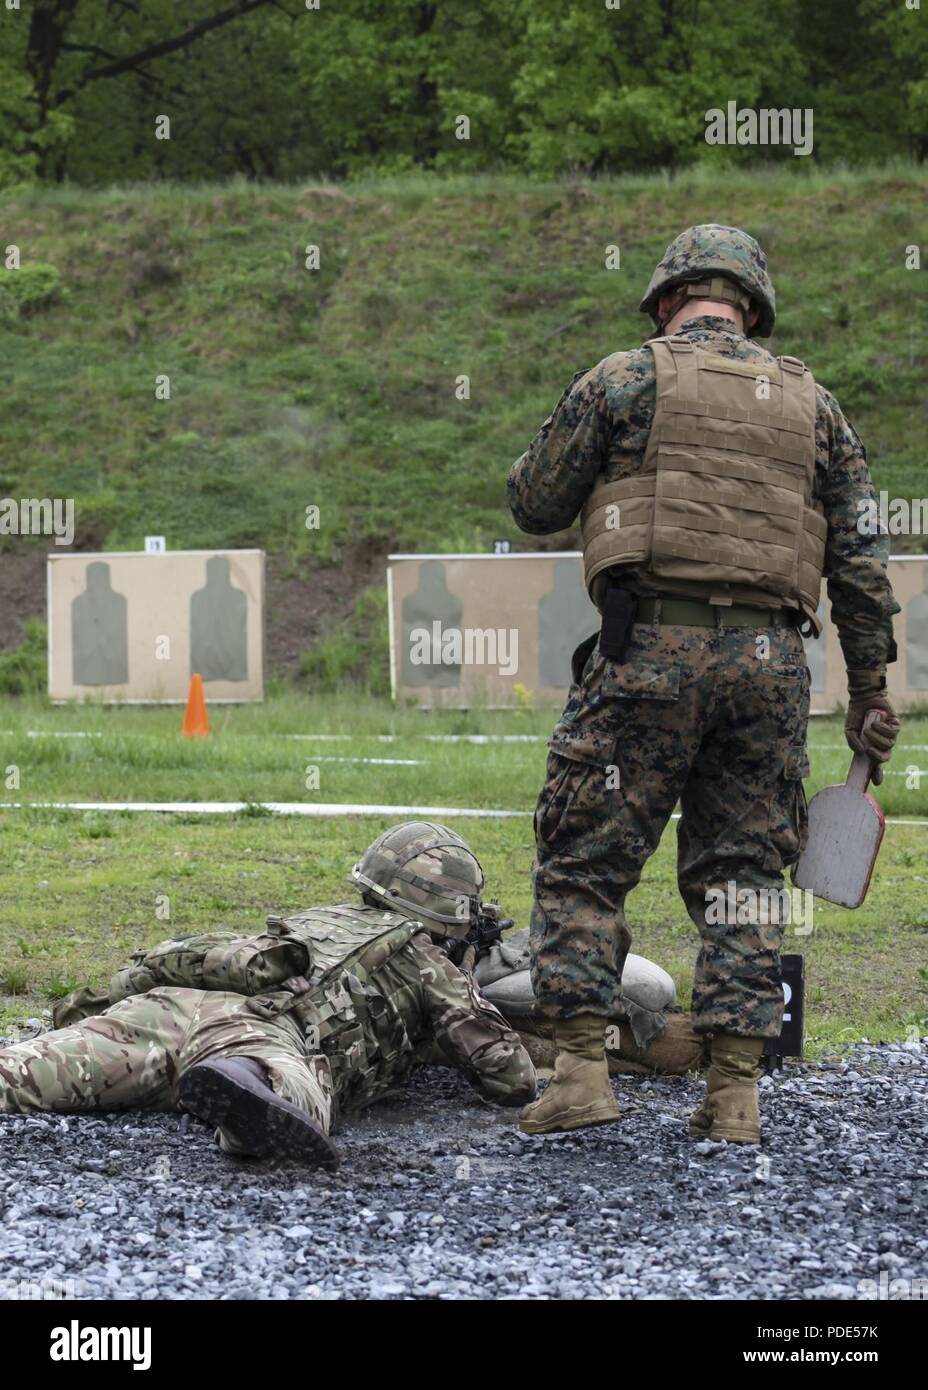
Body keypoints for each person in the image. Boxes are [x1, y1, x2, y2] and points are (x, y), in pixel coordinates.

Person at [508, 224, 901, 1144]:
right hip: (770, 669)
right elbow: (862, 567)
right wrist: (871, 692)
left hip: (647, 651)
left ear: (663, 304)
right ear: (753, 312)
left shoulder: (622, 379)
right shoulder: (815, 406)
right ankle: (734, 1096)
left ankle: (581, 1075)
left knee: (585, 861)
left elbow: (534, 502)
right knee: (744, 877)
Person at [0, 823, 536, 1169]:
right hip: (260, 1032)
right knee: (295, 1090)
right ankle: (246, 1093)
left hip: (170, 1002)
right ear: (448, 914)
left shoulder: (322, 917)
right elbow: (508, 1077)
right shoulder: (427, 958)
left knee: (27, 1075)